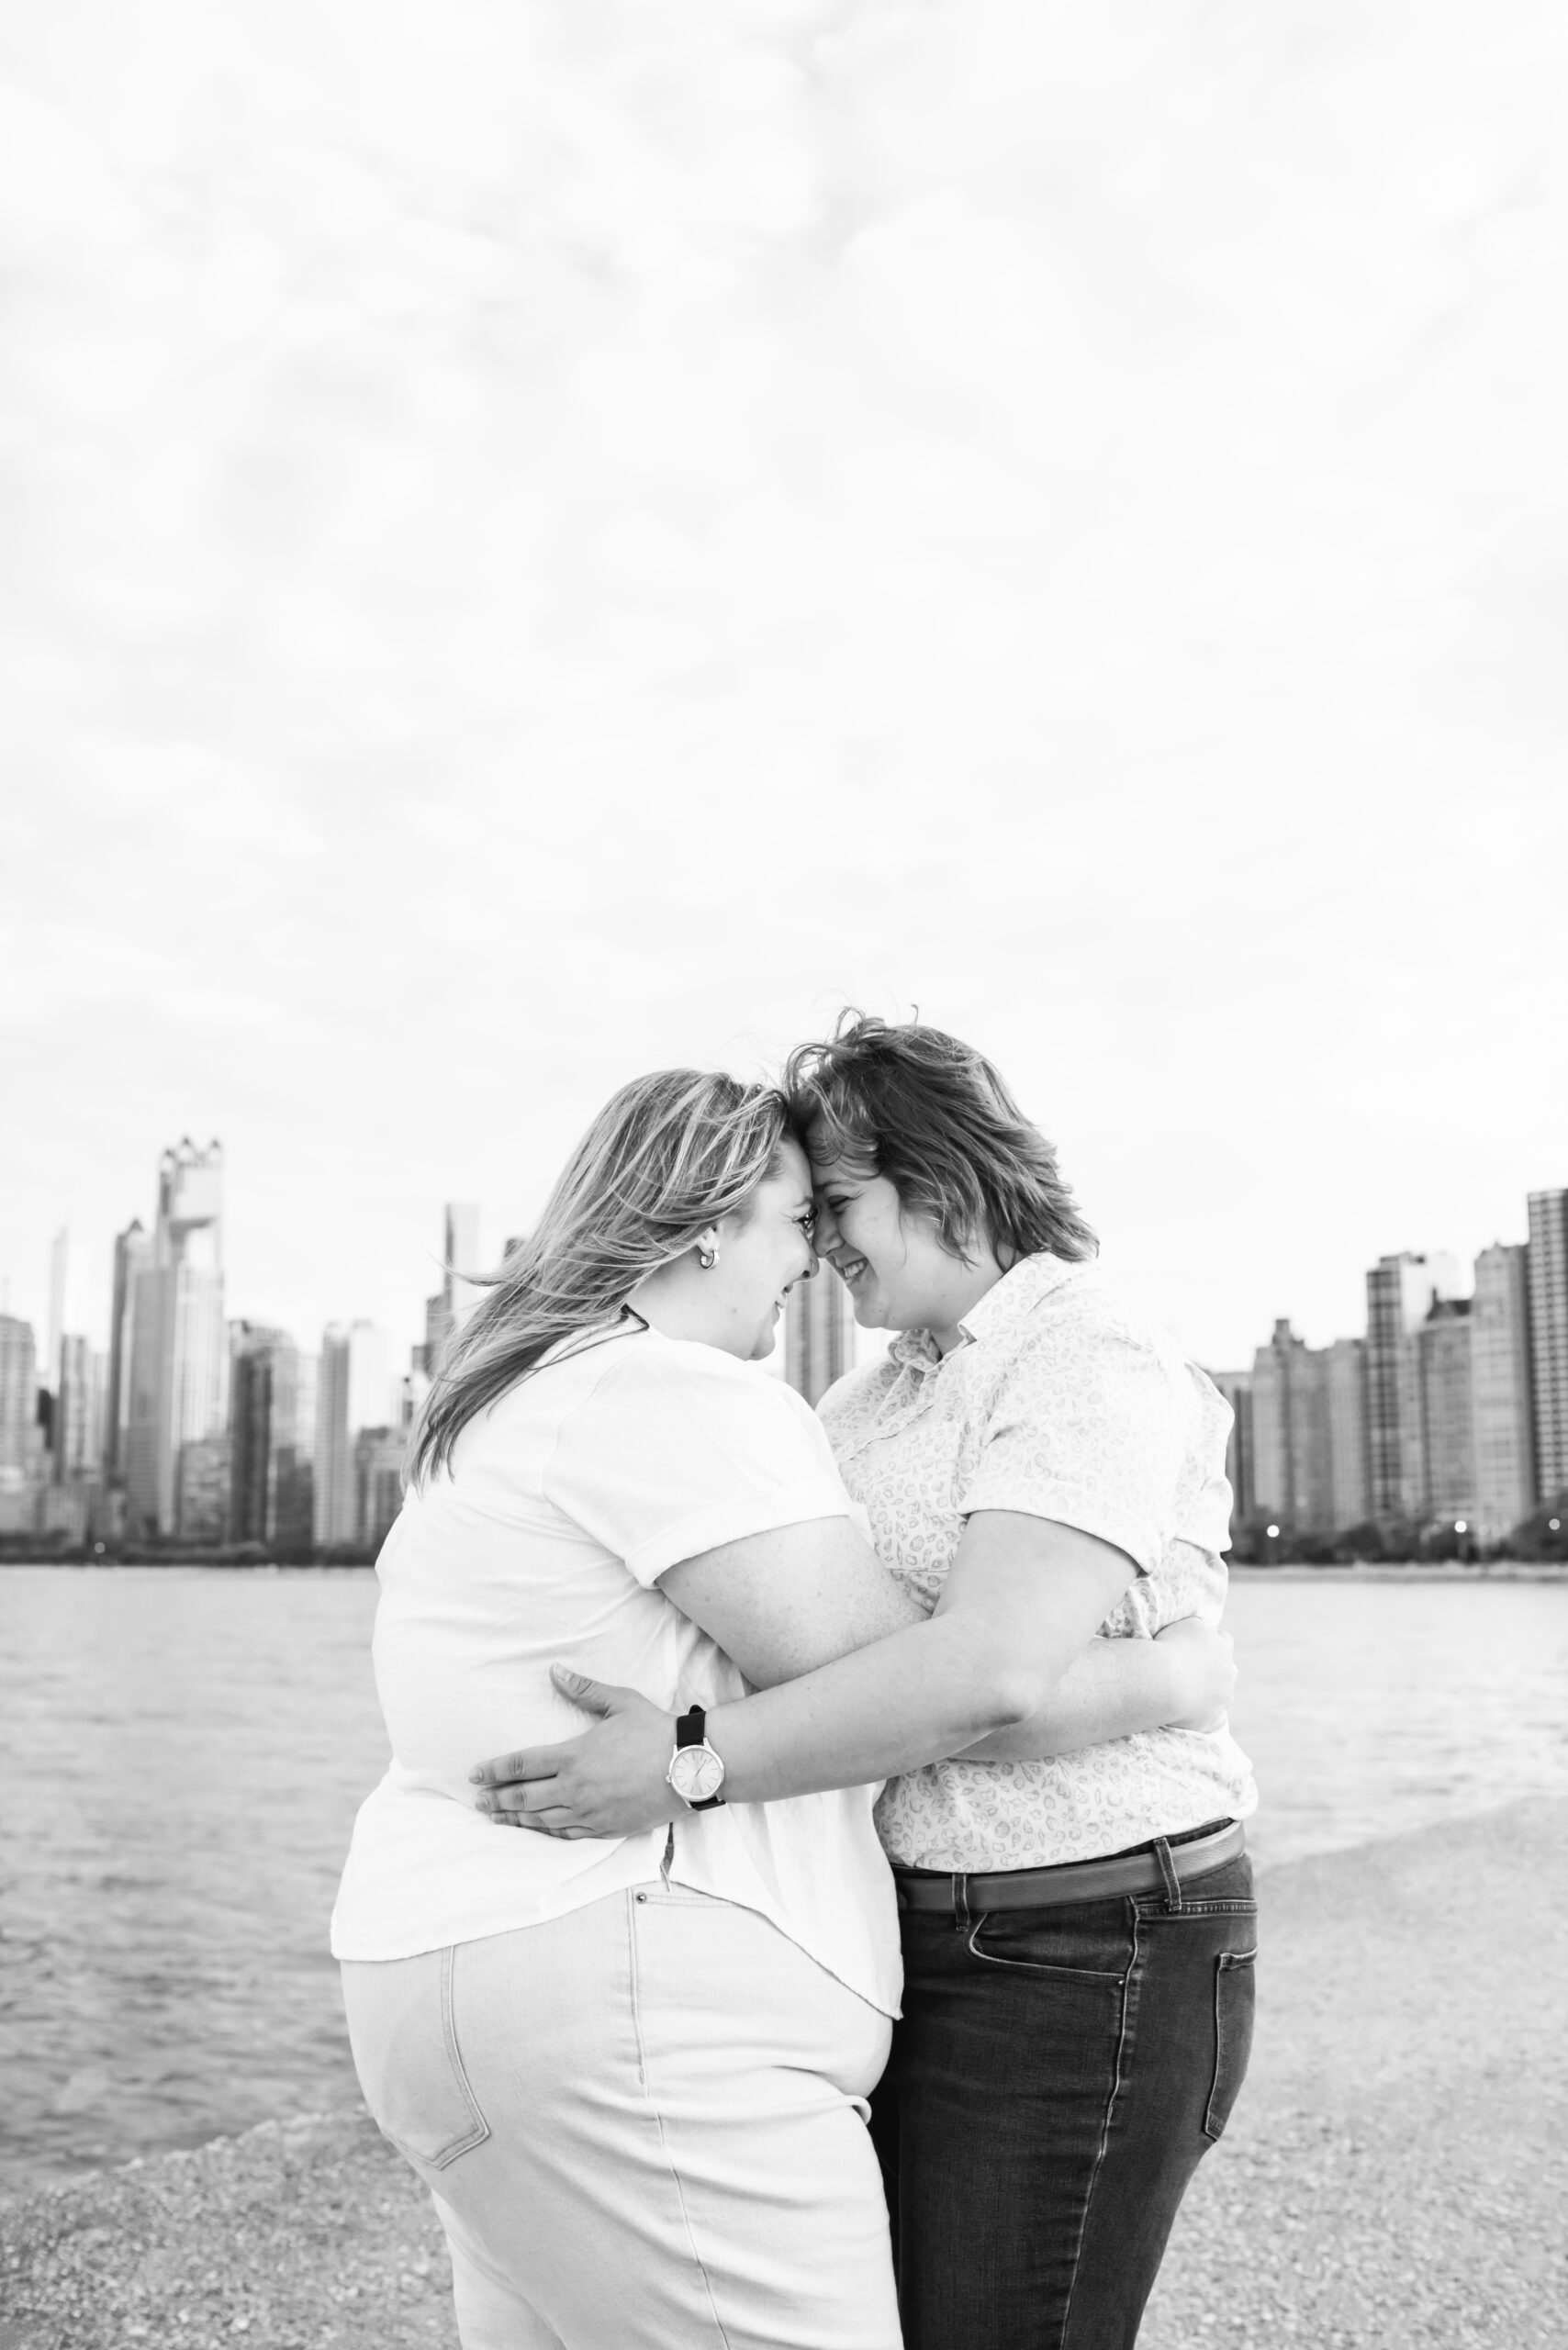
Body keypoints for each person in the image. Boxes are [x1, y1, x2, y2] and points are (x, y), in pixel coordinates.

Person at [333, 1065, 1233, 2350]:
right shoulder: (684, 1396)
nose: (811, 1252)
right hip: (618, 2015)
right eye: (796, 1214)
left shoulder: (534, 1394)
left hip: (475, 1984)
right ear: (709, 1223)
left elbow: (964, 1673)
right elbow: (950, 1678)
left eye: (834, 1207)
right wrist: (1176, 1674)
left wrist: (695, 1755)